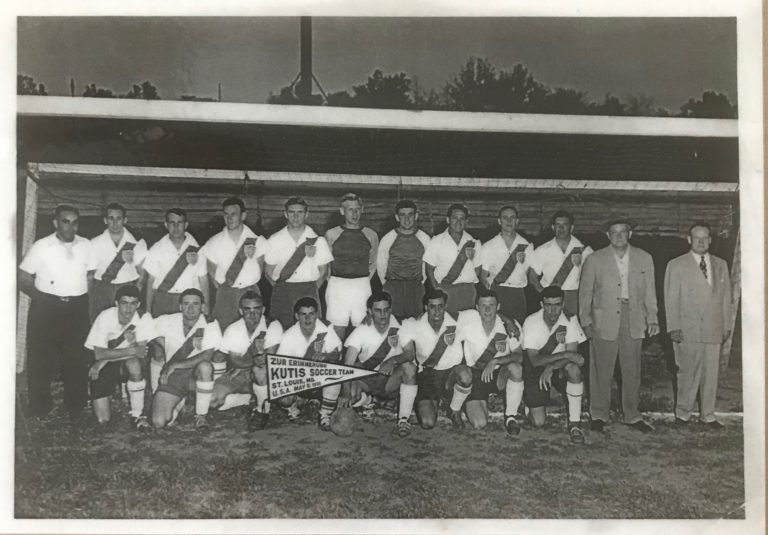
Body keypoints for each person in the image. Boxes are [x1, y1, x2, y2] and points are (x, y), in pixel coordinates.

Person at [579, 220, 659, 433]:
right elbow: (585, 293)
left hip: (633, 318)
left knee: (632, 369)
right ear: (608, 235)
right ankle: (598, 414)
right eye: (614, 233)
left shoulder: (644, 258)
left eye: (623, 232)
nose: (619, 236)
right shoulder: (594, 259)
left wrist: (652, 319)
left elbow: (650, 292)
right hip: (603, 319)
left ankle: (632, 415)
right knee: (600, 368)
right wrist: (585, 321)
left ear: (630, 233)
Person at [19, 205, 92, 421]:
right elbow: (23, 277)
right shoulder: (42, 246)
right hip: (47, 307)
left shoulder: (86, 245)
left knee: (77, 357)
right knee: (41, 358)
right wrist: (42, 298)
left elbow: (91, 275)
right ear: (55, 223)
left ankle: (76, 406)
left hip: (76, 308)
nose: (70, 226)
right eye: (65, 221)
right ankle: (40, 407)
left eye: (74, 222)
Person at [664, 222, 732, 428]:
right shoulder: (676, 264)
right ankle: (682, 414)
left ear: (710, 240)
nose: (701, 242)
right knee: (687, 372)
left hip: (713, 328)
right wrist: (673, 326)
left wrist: (726, 326)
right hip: (687, 329)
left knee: (711, 374)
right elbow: (670, 298)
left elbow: (726, 298)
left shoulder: (721, 265)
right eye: (696, 238)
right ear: (689, 240)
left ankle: (708, 415)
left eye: (705, 238)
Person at [337, 291, 418, 437]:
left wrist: (392, 361)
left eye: (386, 310)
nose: (383, 315)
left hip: (389, 380)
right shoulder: (361, 330)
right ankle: (366, 400)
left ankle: (403, 419)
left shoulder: (400, 325)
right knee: (349, 398)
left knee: (410, 368)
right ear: (369, 312)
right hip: (367, 380)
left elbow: (410, 353)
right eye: (378, 310)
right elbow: (348, 363)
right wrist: (346, 392)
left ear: (391, 309)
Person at [454, 287, 525, 435]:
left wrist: (496, 361)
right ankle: (467, 400)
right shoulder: (467, 319)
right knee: (480, 423)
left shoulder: (509, 326)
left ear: (498, 307)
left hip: (498, 375)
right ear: (476, 308)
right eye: (483, 306)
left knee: (516, 368)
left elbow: (519, 355)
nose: (487, 310)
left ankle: (510, 416)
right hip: (475, 376)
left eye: (491, 305)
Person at [399, 288, 473, 430]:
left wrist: (508, 321)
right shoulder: (414, 325)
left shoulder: (458, 321)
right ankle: (430, 401)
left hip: (451, 375)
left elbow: (486, 312)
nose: (437, 311)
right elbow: (398, 326)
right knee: (428, 423)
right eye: (432, 307)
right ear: (426, 307)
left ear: (445, 306)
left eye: (440, 306)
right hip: (428, 376)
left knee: (466, 375)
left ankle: (454, 409)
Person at [522, 286, 587, 443]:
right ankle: (529, 403)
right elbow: (535, 360)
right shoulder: (531, 321)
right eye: (548, 305)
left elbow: (573, 355)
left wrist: (552, 367)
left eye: (557, 305)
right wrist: (564, 354)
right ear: (541, 304)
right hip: (537, 368)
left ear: (563, 304)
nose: (553, 310)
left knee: (574, 370)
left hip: (557, 367)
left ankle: (574, 422)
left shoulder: (570, 319)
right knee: (538, 422)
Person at [150, 289, 222, 430]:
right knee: (158, 422)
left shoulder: (210, 323)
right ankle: (180, 403)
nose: (190, 308)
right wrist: (160, 344)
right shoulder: (167, 320)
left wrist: (175, 365)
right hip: (175, 376)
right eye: (186, 304)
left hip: (195, 375)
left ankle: (201, 416)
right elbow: (143, 329)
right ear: (180, 306)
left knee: (205, 367)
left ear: (202, 307)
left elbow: (207, 355)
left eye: (195, 304)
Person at [84, 284, 154, 430]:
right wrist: (102, 361)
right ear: (117, 304)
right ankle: (106, 391)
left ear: (138, 304)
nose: (128, 309)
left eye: (133, 304)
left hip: (116, 360)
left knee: (134, 365)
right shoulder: (105, 316)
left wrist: (132, 347)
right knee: (103, 419)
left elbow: (140, 352)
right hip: (103, 362)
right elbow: (99, 353)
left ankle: (137, 414)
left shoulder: (143, 317)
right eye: (124, 303)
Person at [210, 291, 283, 431]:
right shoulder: (233, 329)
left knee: (260, 370)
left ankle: (262, 410)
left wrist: (243, 365)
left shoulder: (272, 325)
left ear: (263, 309)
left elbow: (267, 360)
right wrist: (243, 365)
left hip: (268, 376)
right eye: (247, 309)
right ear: (240, 311)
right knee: (211, 401)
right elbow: (236, 361)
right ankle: (249, 398)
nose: (252, 314)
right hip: (240, 375)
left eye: (256, 309)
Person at [275, 297, 343, 430]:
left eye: (311, 314)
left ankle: (325, 414)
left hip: (320, 381)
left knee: (335, 373)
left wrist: (325, 356)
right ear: (296, 316)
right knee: (280, 392)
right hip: (299, 380)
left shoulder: (326, 329)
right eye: (303, 314)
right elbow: (280, 366)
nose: (307, 319)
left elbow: (338, 355)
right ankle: (294, 405)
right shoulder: (289, 335)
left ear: (317, 315)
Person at [264, 197, 333, 329]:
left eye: (300, 212)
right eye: (292, 212)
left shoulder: (318, 240)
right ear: (285, 214)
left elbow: (324, 272)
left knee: (310, 331)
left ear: (306, 214)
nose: (296, 217)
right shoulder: (275, 239)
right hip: (283, 291)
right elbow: (268, 272)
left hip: (309, 290)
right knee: (280, 331)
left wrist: (310, 289)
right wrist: (281, 288)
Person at [201, 197, 268, 329]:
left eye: (233, 214)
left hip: (250, 292)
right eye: (226, 214)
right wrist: (226, 290)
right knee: (224, 330)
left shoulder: (258, 241)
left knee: (253, 331)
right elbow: (212, 273)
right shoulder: (213, 242)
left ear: (243, 216)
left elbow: (260, 269)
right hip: (226, 294)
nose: (229, 218)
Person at [324, 193, 379, 340]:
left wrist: (362, 280)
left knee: (362, 329)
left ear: (362, 209)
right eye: (350, 209)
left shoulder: (371, 234)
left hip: (361, 285)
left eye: (357, 209)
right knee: (336, 331)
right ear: (342, 211)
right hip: (337, 285)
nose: (354, 214)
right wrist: (334, 281)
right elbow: (326, 263)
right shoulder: (331, 234)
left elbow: (373, 263)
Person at [87, 203, 148, 322]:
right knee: (100, 324)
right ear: (105, 220)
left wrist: (135, 294)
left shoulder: (137, 242)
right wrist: (91, 299)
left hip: (127, 288)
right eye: (111, 218)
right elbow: (90, 275)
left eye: (118, 218)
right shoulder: (94, 243)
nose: (115, 223)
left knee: (126, 327)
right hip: (102, 290)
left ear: (125, 220)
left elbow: (142, 275)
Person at [144, 208, 210, 317]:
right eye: (172, 223)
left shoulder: (197, 249)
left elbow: (203, 279)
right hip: (163, 300)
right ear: (166, 225)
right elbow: (151, 281)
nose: (176, 227)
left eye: (179, 222)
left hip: (189, 301)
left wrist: (206, 306)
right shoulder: (156, 249)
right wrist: (148, 310)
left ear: (186, 224)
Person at [528, 210, 593, 317]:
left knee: (574, 329)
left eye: (565, 225)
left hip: (575, 298)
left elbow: (592, 278)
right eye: (558, 225)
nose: (561, 228)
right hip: (551, 299)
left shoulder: (585, 250)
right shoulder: (542, 250)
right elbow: (532, 277)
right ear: (553, 227)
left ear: (571, 227)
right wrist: (544, 294)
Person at [376, 200, 431, 322]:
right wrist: (389, 284)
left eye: (410, 214)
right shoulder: (388, 238)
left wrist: (419, 284)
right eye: (402, 215)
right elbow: (381, 265)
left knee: (416, 323)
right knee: (393, 324)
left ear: (416, 216)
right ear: (397, 217)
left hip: (415, 287)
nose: (407, 219)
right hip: (393, 286)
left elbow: (427, 266)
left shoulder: (425, 238)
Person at [479, 205, 534, 325]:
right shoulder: (488, 246)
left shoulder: (526, 246)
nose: (509, 221)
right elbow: (483, 276)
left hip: (518, 294)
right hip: (497, 293)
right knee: (497, 330)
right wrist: (492, 295)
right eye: (505, 218)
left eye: (512, 217)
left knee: (518, 329)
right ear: (499, 221)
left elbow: (528, 273)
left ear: (517, 221)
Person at [423, 204, 481, 315]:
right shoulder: (436, 241)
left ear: (466, 221)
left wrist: (467, 281)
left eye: (462, 218)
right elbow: (429, 267)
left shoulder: (474, 242)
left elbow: (478, 268)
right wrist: (436, 285)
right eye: (455, 218)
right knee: (447, 324)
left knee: (467, 323)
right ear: (448, 219)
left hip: (467, 290)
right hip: (445, 289)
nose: (458, 222)